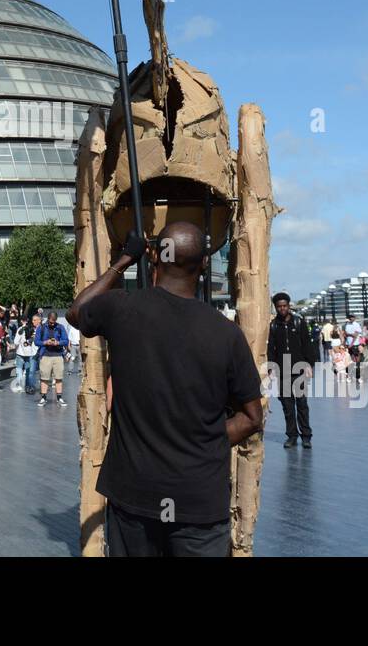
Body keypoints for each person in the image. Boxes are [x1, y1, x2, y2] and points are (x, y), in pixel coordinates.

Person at [68, 224, 263, 557]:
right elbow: (251, 417)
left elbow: (77, 312)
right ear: (203, 265)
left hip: (134, 497)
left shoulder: (122, 309)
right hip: (198, 501)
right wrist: (207, 441)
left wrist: (125, 259)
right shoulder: (227, 335)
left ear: (156, 256)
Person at [268, 292, 315, 448]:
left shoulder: (298, 322)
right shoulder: (274, 325)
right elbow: (271, 348)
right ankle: (292, 436)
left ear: (289, 306)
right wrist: (271, 367)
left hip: (299, 369)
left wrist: (309, 364)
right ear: (276, 308)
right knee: (287, 407)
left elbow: (307, 344)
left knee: (302, 405)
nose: (282, 309)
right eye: (279, 306)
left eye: (284, 306)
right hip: (283, 371)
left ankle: (306, 436)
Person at [35, 308, 69, 407]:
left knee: (59, 377)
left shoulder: (60, 327)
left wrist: (58, 342)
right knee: (44, 377)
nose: (52, 324)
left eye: (54, 322)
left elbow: (66, 340)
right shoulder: (41, 328)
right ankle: (43, 398)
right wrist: (45, 342)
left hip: (58, 355)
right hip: (45, 355)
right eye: (51, 322)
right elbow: (36, 342)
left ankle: (59, 398)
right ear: (48, 319)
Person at [13, 316, 39, 394]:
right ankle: (27, 386)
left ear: (21, 321)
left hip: (20, 352)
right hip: (30, 353)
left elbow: (16, 342)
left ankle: (19, 385)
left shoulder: (20, 330)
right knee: (28, 370)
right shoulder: (33, 330)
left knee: (19, 369)